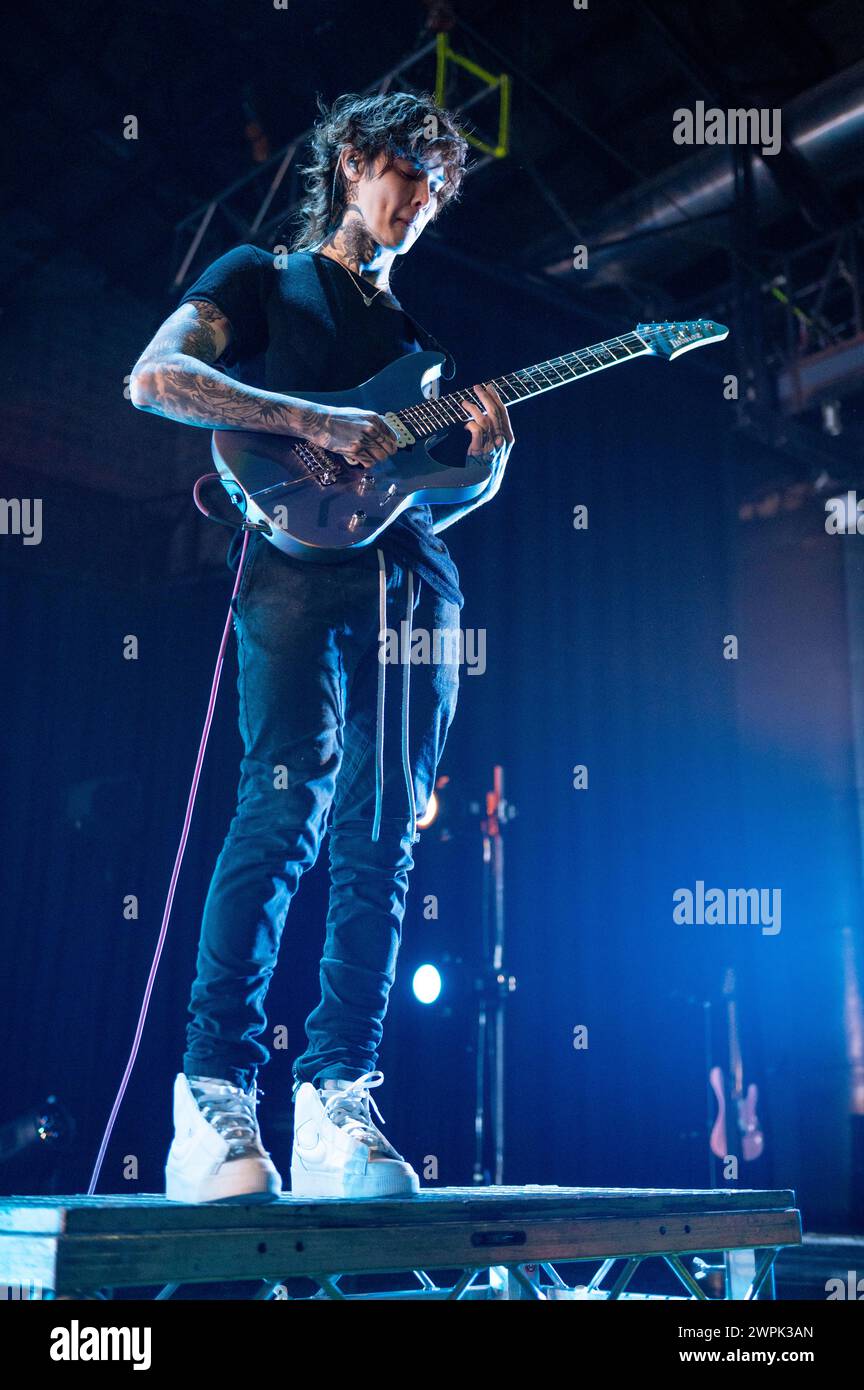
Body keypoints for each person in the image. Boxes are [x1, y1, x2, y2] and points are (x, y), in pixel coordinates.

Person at [129, 90, 514, 1202]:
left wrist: (482, 471)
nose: (422, 202)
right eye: (408, 173)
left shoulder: (420, 350)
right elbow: (155, 378)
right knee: (281, 808)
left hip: (415, 586)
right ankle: (212, 1097)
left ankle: (338, 1096)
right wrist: (310, 419)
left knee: (384, 833)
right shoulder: (261, 275)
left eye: (440, 192)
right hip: (295, 572)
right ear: (353, 162)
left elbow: (423, 497)